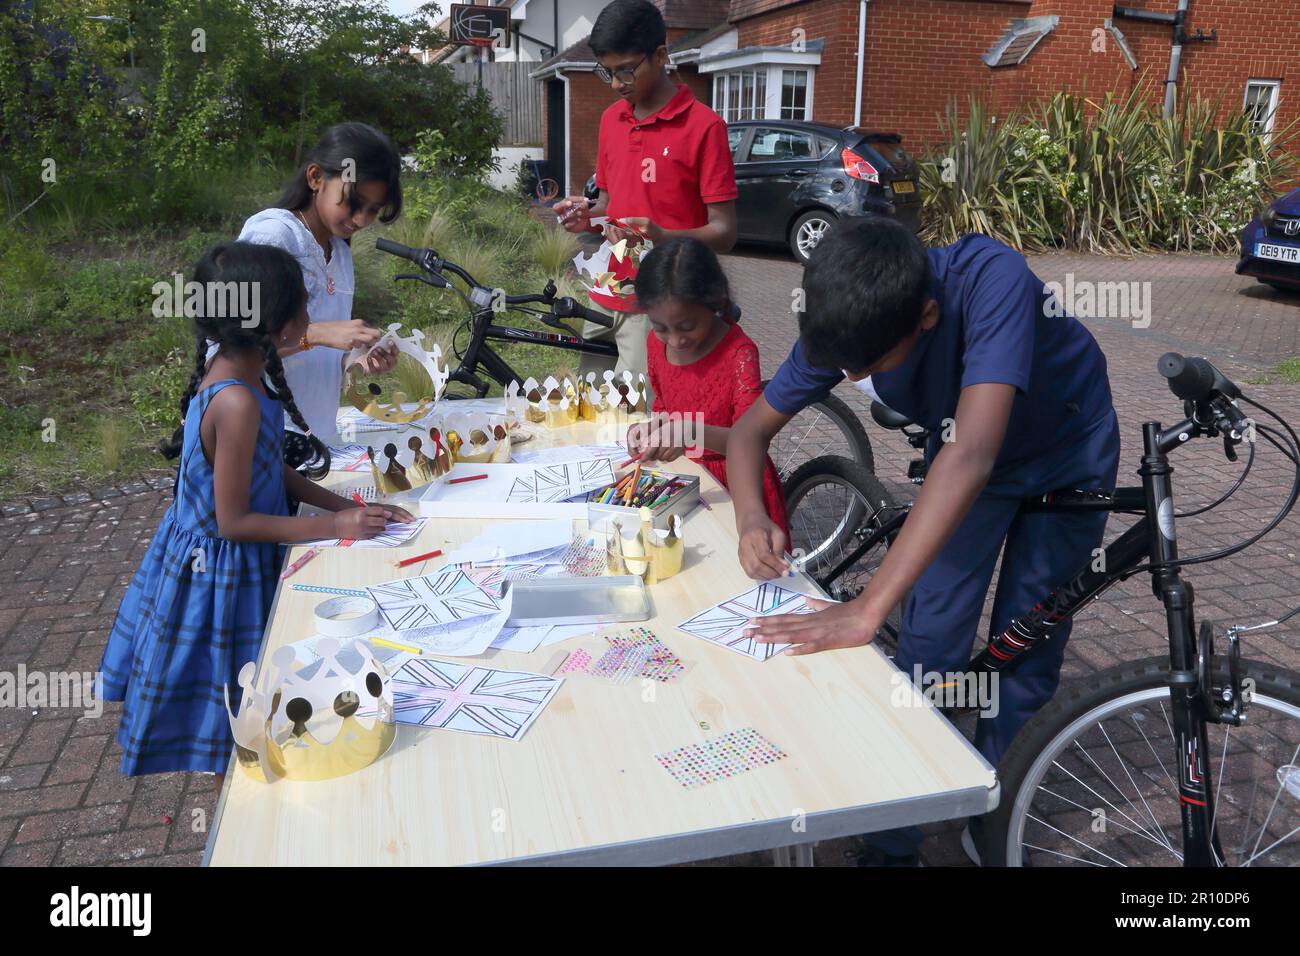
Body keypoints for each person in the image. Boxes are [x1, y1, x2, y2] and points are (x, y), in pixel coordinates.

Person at [726, 217, 1120, 863]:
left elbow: (972, 458)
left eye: (872, 368)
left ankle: (993, 811)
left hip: (1065, 447)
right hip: (964, 450)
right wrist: (749, 516)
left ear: (928, 315)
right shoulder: (848, 312)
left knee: (1030, 642)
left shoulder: (992, 280)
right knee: (930, 641)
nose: (855, 377)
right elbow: (747, 434)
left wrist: (865, 608)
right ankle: (892, 837)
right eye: (843, 369)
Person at [103, 242, 412, 784]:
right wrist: (335, 527)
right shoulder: (238, 400)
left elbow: (270, 469)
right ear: (279, 322)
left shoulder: (237, 370)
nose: (309, 319)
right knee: (233, 695)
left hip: (232, 556)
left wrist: (348, 506)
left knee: (251, 693)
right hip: (220, 575)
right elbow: (234, 521)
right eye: (304, 306)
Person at [553, 0, 737, 405]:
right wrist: (586, 216)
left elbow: (725, 232)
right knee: (589, 410)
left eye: (626, 70)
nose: (617, 83)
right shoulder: (610, 120)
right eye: (607, 72)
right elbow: (608, 203)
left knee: (634, 421)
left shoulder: (704, 127)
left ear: (660, 54)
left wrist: (664, 235)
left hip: (659, 305)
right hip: (605, 290)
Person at [226, 122, 404, 444]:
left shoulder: (339, 252)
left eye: (374, 210)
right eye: (353, 202)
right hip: (257, 441)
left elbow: (316, 352)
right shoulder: (273, 237)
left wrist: (356, 360)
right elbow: (234, 344)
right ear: (316, 178)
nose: (362, 219)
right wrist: (320, 333)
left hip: (313, 439)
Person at [625, 238, 787, 535]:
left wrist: (689, 432)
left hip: (737, 484)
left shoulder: (738, 352)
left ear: (715, 303)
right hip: (682, 478)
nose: (675, 340)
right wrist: (651, 430)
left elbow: (750, 437)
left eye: (687, 327)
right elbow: (663, 405)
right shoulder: (654, 344)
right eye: (661, 328)